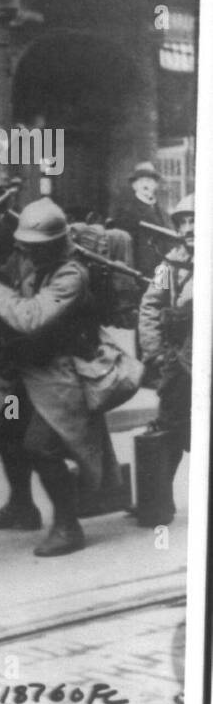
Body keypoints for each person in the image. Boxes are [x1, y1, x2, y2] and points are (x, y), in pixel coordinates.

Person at [0, 198, 120, 557]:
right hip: (24, 375)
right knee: (6, 435)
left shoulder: (71, 274)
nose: (26, 253)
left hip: (60, 379)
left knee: (41, 445)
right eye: (25, 247)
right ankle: (22, 507)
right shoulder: (30, 259)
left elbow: (31, 317)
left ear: (54, 245)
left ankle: (68, 525)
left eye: (34, 248)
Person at [136, 193, 194, 526]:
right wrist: (155, 351)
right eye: (183, 222)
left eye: (195, 220)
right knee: (169, 428)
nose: (188, 228)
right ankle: (160, 499)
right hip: (178, 364)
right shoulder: (170, 264)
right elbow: (150, 304)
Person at [109, 162, 172, 279]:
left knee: (161, 295)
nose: (146, 184)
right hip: (140, 271)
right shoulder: (126, 211)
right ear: (134, 185)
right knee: (147, 296)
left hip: (163, 269)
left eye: (150, 180)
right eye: (141, 180)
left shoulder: (163, 212)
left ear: (156, 185)